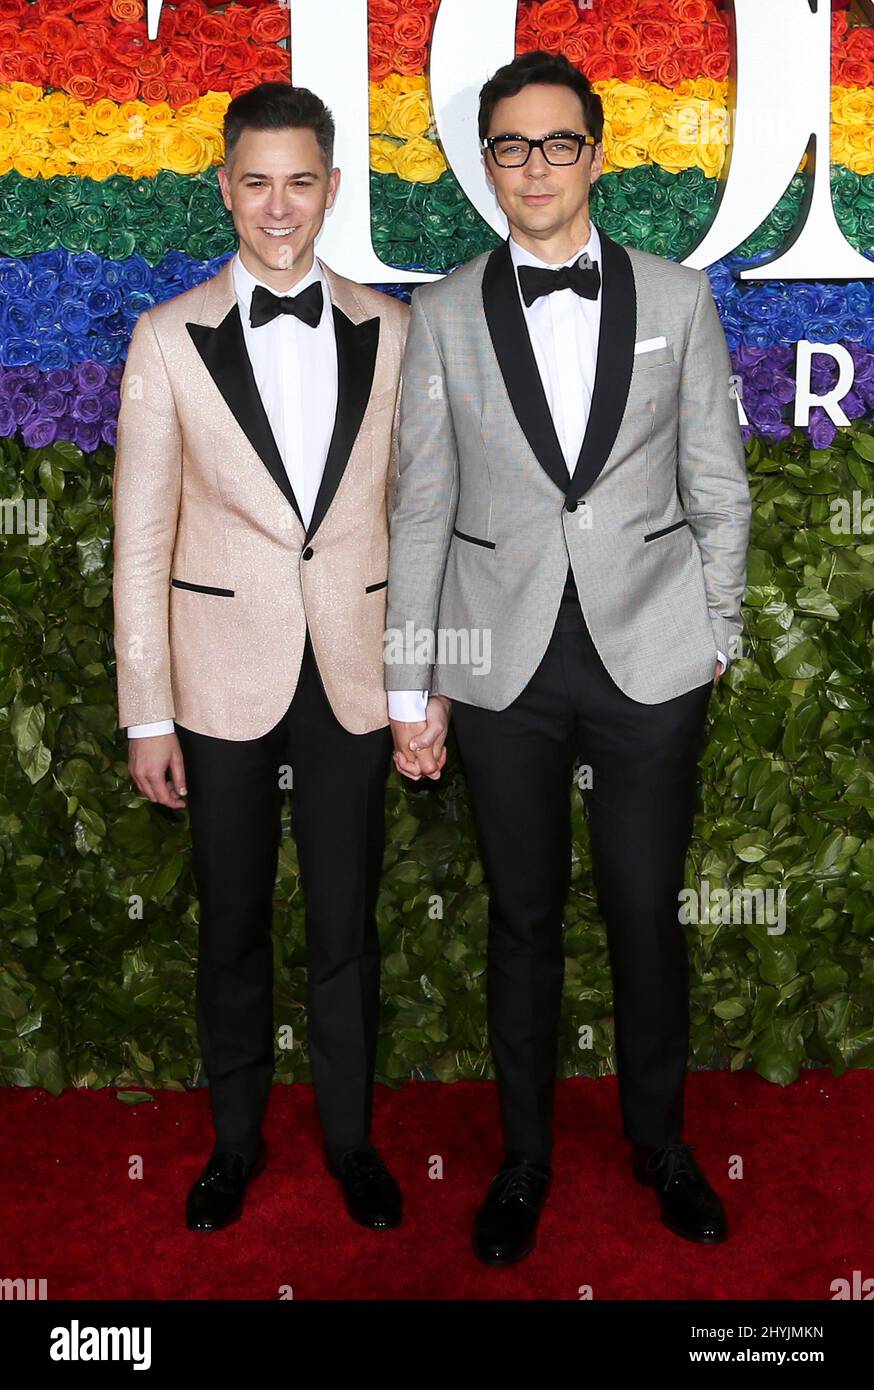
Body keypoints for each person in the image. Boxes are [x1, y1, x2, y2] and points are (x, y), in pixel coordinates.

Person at [385, 50, 751, 1265]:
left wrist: (719, 632)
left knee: (647, 912)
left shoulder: (678, 297)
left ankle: (661, 1143)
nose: (533, 166)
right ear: (486, 165)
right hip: (500, 666)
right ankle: (524, 1157)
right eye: (509, 146)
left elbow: (715, 481)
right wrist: (413, 679)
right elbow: (421, 508)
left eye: (556, 144)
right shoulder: (438, 312)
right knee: (521, 917)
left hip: (652, 653)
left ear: (595, 155)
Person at [112, 81, 409, 1234]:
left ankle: (350, 1143)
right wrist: (147, 714)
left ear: (332, 189)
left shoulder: (397, 328)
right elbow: (140, 543)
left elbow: (417, 522)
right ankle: (233, 1144)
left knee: (345, 921)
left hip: (351, 675)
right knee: (231, 924)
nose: (277, 205)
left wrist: (415, 680)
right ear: (224, 187)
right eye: (255, 180)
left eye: (300, 181)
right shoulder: (163, 337)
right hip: (214, 680)